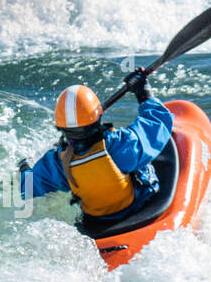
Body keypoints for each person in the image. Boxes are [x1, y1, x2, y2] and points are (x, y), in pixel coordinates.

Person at [18, 70, 173, 219]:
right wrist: (143, 92)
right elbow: (157, 123)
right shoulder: (121, 144)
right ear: (98, 117)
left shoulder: (56, 163)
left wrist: (25, 169)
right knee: (143, 160)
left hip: (97, 220)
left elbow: (29, 189)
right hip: (140, 204)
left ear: (60, 126)